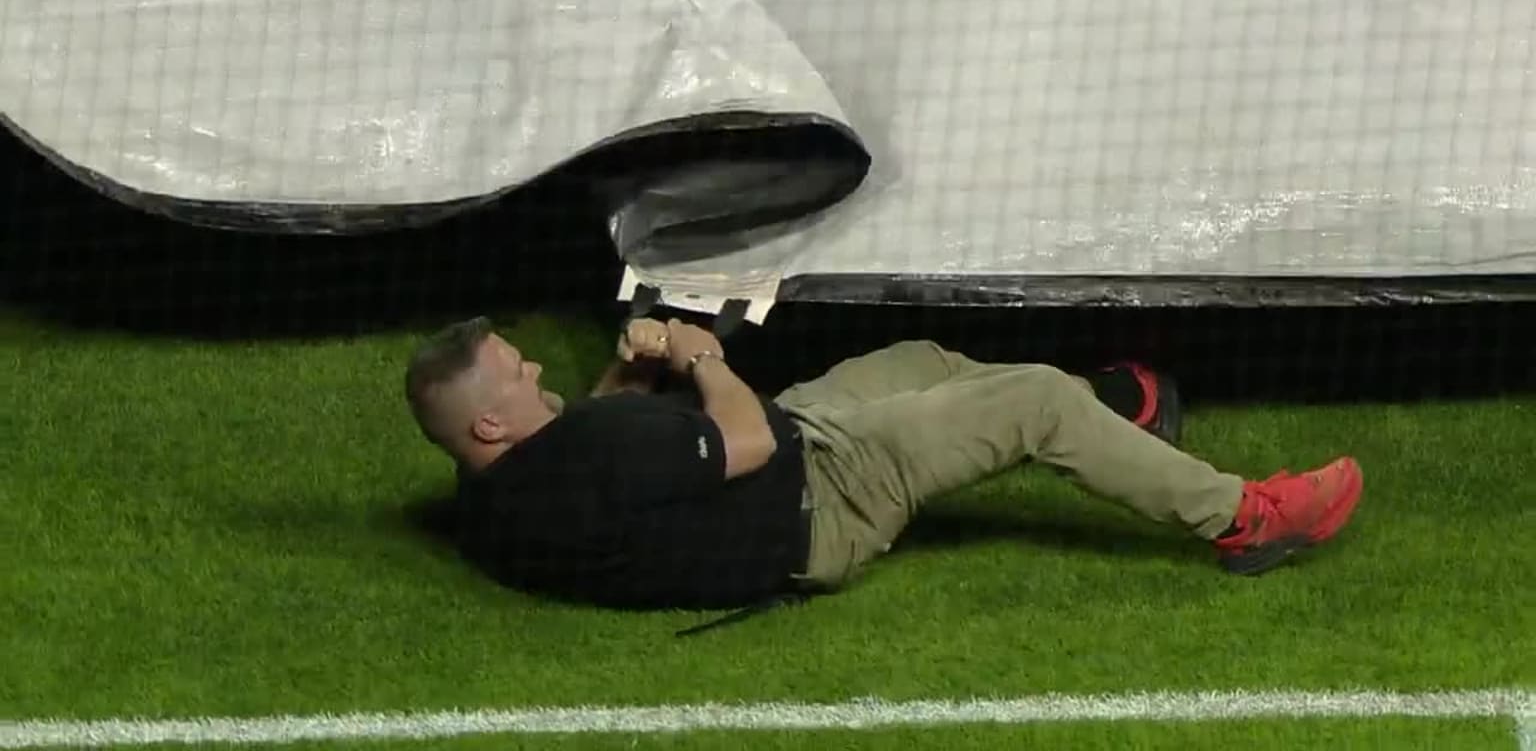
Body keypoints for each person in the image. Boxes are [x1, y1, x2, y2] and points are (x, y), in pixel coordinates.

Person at [403, 315, 1362, 613]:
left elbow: (610, 453)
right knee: (1024, 400)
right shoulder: (587, 456)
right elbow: (748, 441)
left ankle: (1116, 418)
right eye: (516, 375)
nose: (534, 368)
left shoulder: (494, 492)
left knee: (924, 365)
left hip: (792, 461)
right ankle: (1245, 517)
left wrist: (624, 371)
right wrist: (699, 358)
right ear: (492, 424)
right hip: (826, 500)